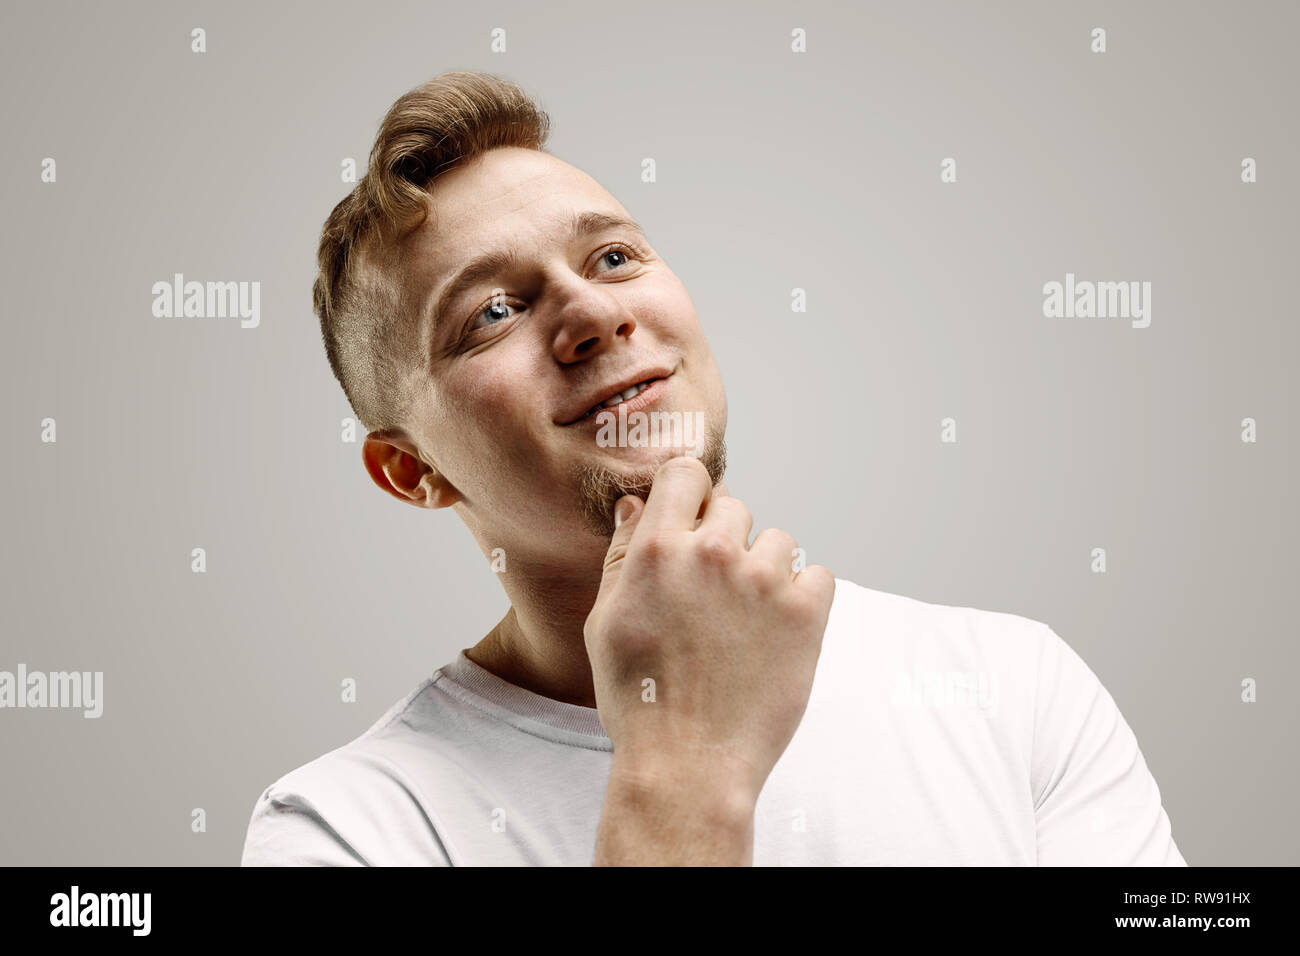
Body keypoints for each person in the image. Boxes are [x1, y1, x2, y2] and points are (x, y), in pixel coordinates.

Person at [240, 71, 1185, 866]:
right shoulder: (347, 831)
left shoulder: (1014, 687)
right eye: (492, 312)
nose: (593, 316)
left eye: (612, 256)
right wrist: (682, 773)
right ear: (413, 472)